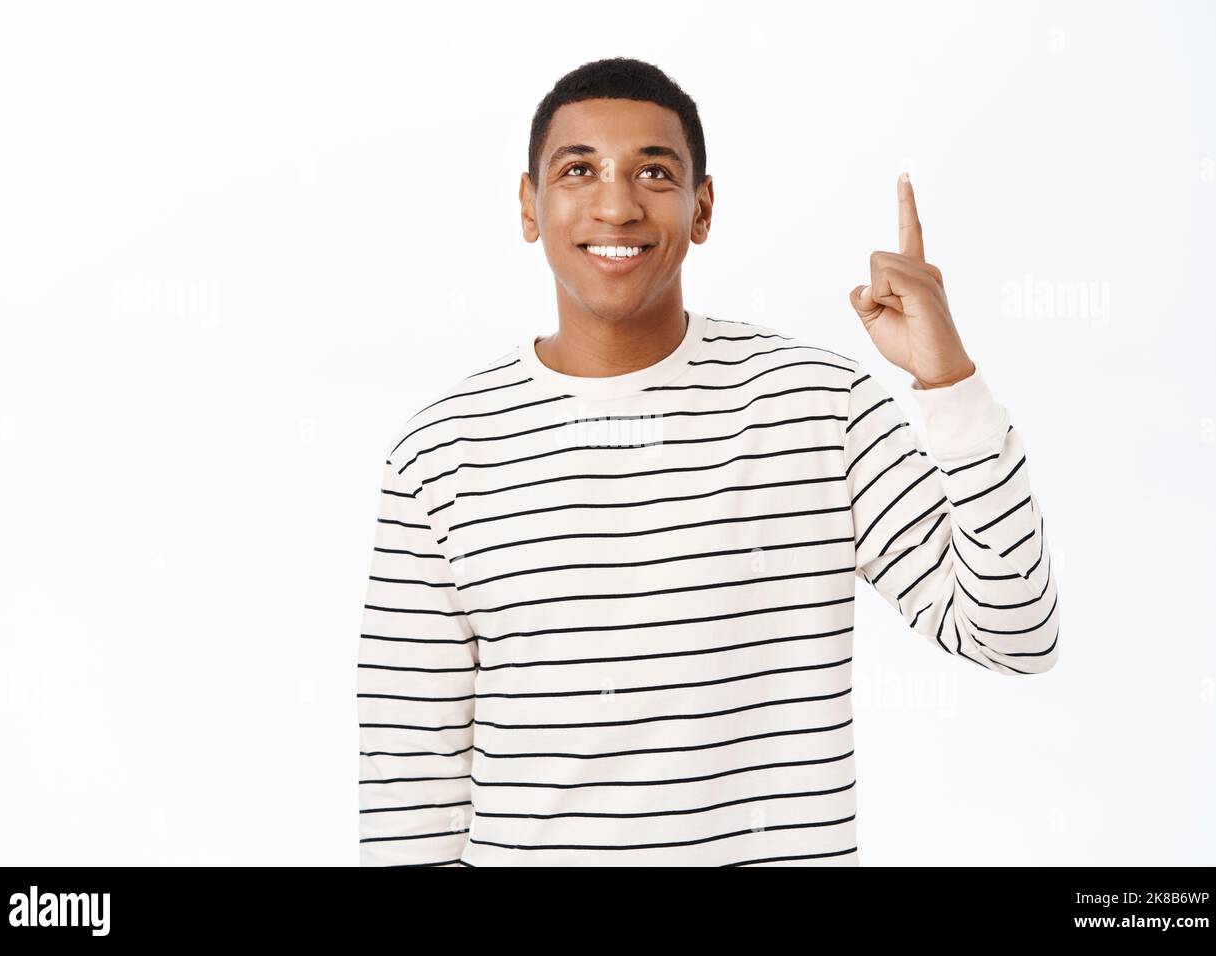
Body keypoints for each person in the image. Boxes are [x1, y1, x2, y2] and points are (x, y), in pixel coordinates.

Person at [356, 56, 1058, 867]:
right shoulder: (441, 453)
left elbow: (1016, 635)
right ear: (529, 205)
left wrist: (947, 379)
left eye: (654, 172)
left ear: (702, 208)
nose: (616, 204)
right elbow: (411, 787)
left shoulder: (819, 408)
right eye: (579, 169)